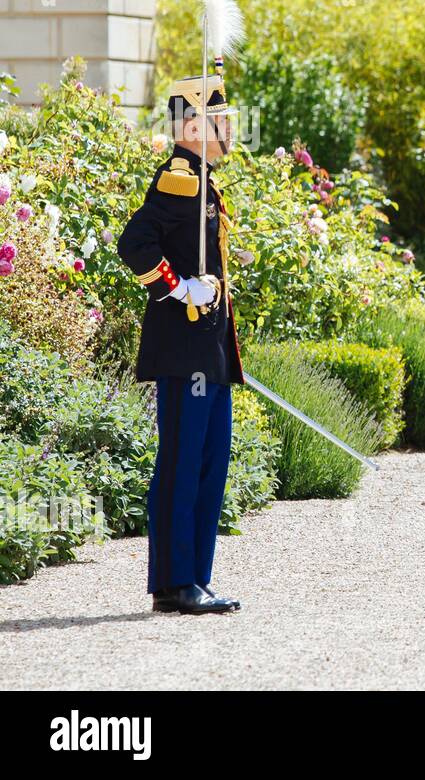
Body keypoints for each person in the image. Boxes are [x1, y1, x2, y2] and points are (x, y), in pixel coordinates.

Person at [116, 72, 244, 614]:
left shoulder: (204, 178)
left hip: (209, 348)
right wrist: (177, 287)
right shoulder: (180, 178)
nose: (229, 128)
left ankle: (194, 578)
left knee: (211, 461)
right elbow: (134, 243)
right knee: (182, 462)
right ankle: (171, 582)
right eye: (218, 118)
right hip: (185, 347)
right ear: (192, 125)